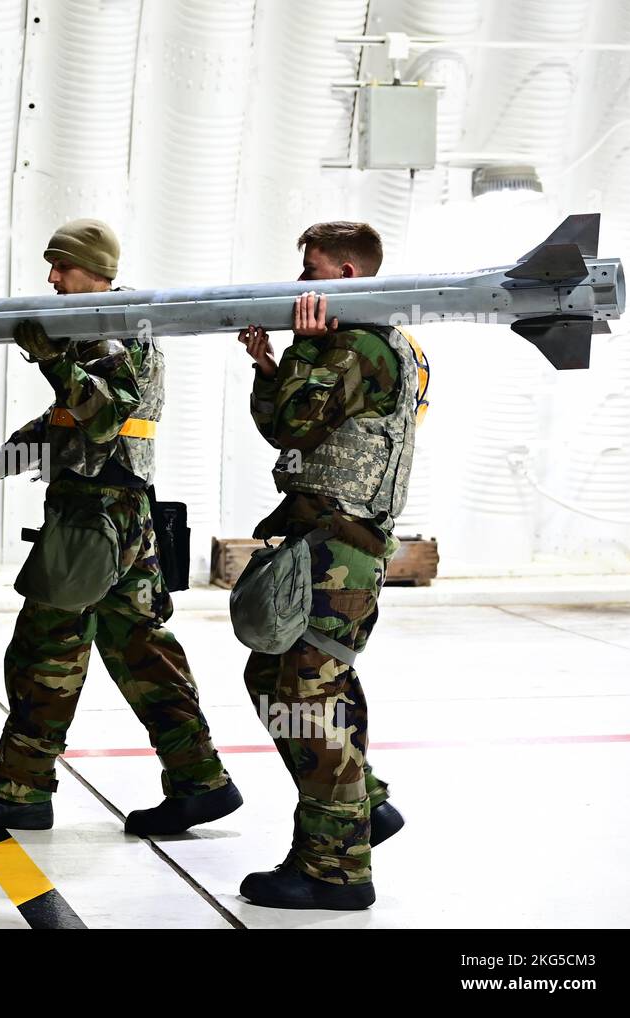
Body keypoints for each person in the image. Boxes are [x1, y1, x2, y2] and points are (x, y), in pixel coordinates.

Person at [0, 218, 241, 835]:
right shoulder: (94, 328)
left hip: (93, 519)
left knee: (45, 652)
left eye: (62, 267)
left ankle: (20, 790)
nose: (51, 278)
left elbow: (101, 419)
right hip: (121, 519)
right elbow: (60, 427)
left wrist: (50, 359)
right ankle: (199, 781)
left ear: (96, 270)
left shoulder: (118, 329)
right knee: (143, 654)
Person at [236, 221, 417, 909]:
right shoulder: (350, 343)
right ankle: (361, 804)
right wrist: (271, 367)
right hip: (321, 539)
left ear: (346, 274)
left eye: (311, 270)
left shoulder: (360, 345)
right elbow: (291, 422)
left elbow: (292, 423)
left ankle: (335, 870)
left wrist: (303, 348)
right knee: (287, 680)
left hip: (338, 551)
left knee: (304, 699)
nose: (300, 282)